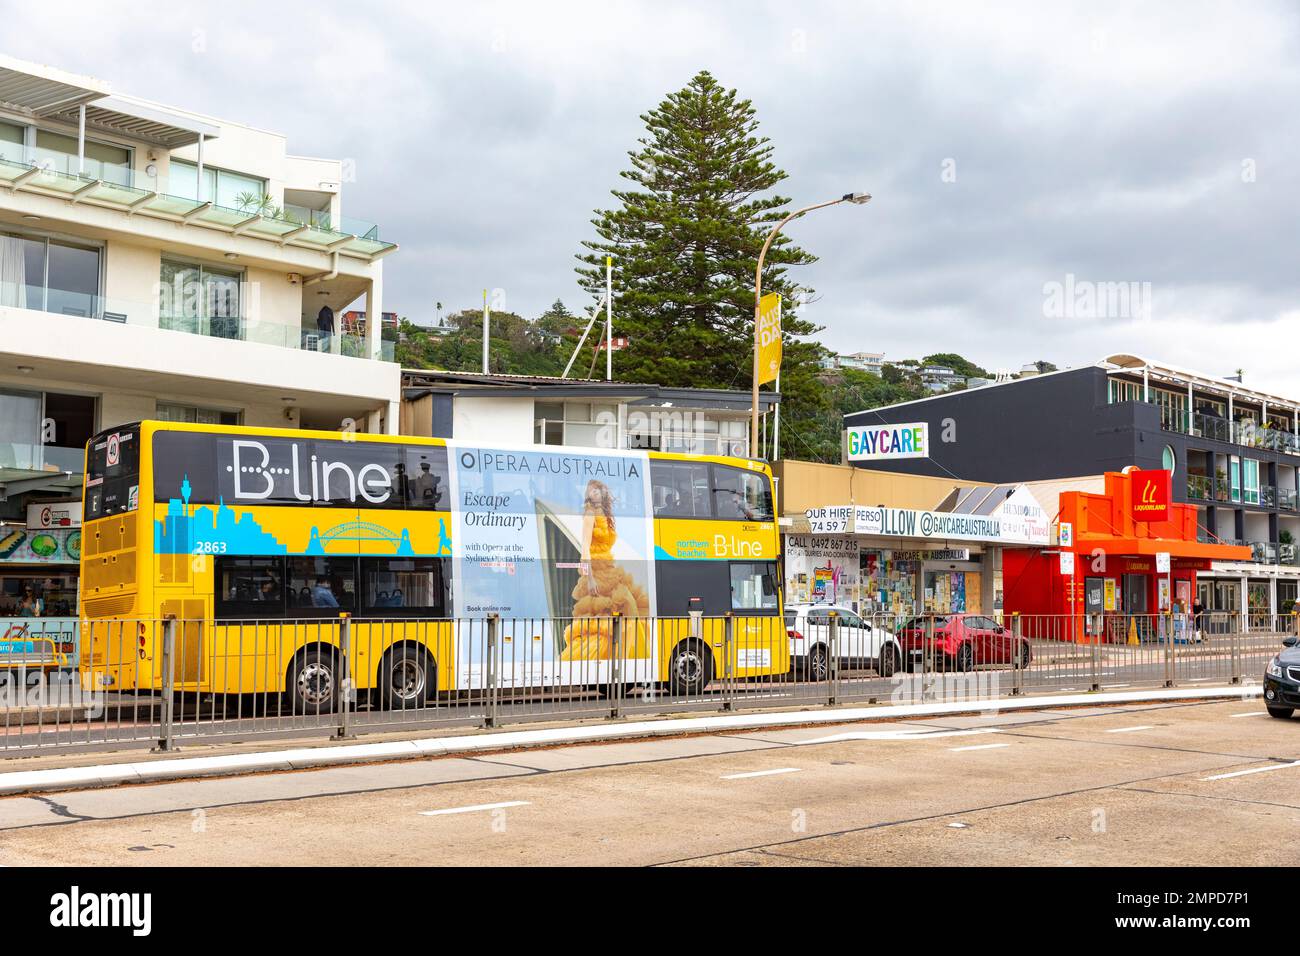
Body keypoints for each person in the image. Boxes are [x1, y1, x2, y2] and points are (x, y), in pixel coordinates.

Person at [560, 480, 650, 661]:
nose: (593, 493)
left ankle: (625, 658)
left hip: (609, 569)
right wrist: (590, 577)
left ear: (602, 492)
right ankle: (616, 658)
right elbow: (584, 546)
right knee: (623, 605)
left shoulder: (606, 515)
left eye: (596, 490)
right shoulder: (589, 513)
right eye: (590, 491)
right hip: (595, 570)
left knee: (624, 610)